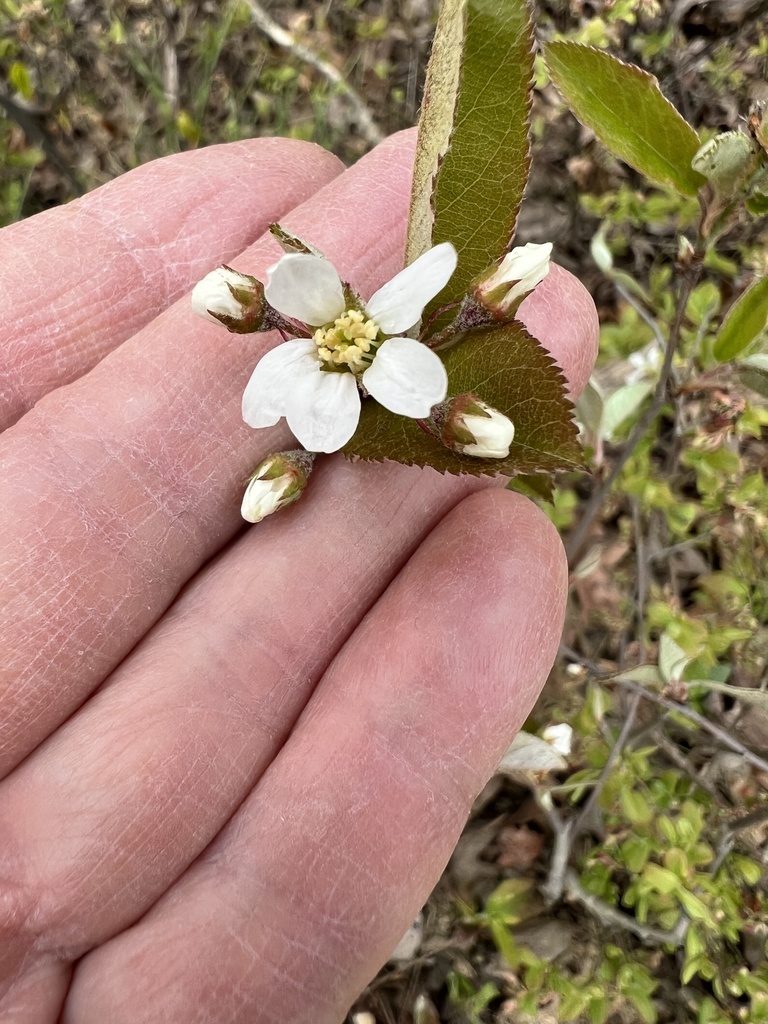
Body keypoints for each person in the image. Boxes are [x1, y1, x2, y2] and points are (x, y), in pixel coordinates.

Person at [0, 130, 599, 1023]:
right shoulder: (308, 351)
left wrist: (430, 350)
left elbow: (388, 345)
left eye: (347, 333)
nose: (344, 336)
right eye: (337, 335)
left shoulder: (390, 345)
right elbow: (313, 378)